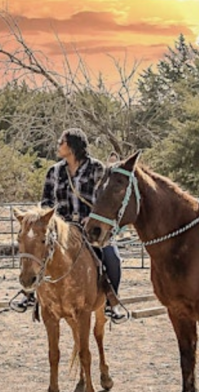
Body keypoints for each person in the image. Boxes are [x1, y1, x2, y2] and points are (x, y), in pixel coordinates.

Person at [9, 128, 128, 323]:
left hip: (89, 227)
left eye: (61, 142)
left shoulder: (97, 169)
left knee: (112, 258)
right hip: (60, 229)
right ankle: (28, 294)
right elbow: (46, 203)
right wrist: (48, 222)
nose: (58, 145)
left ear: (72, 146)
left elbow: (104, 201)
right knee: (36, 250)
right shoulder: (54, 172)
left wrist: (92, 217)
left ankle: (111, 302)